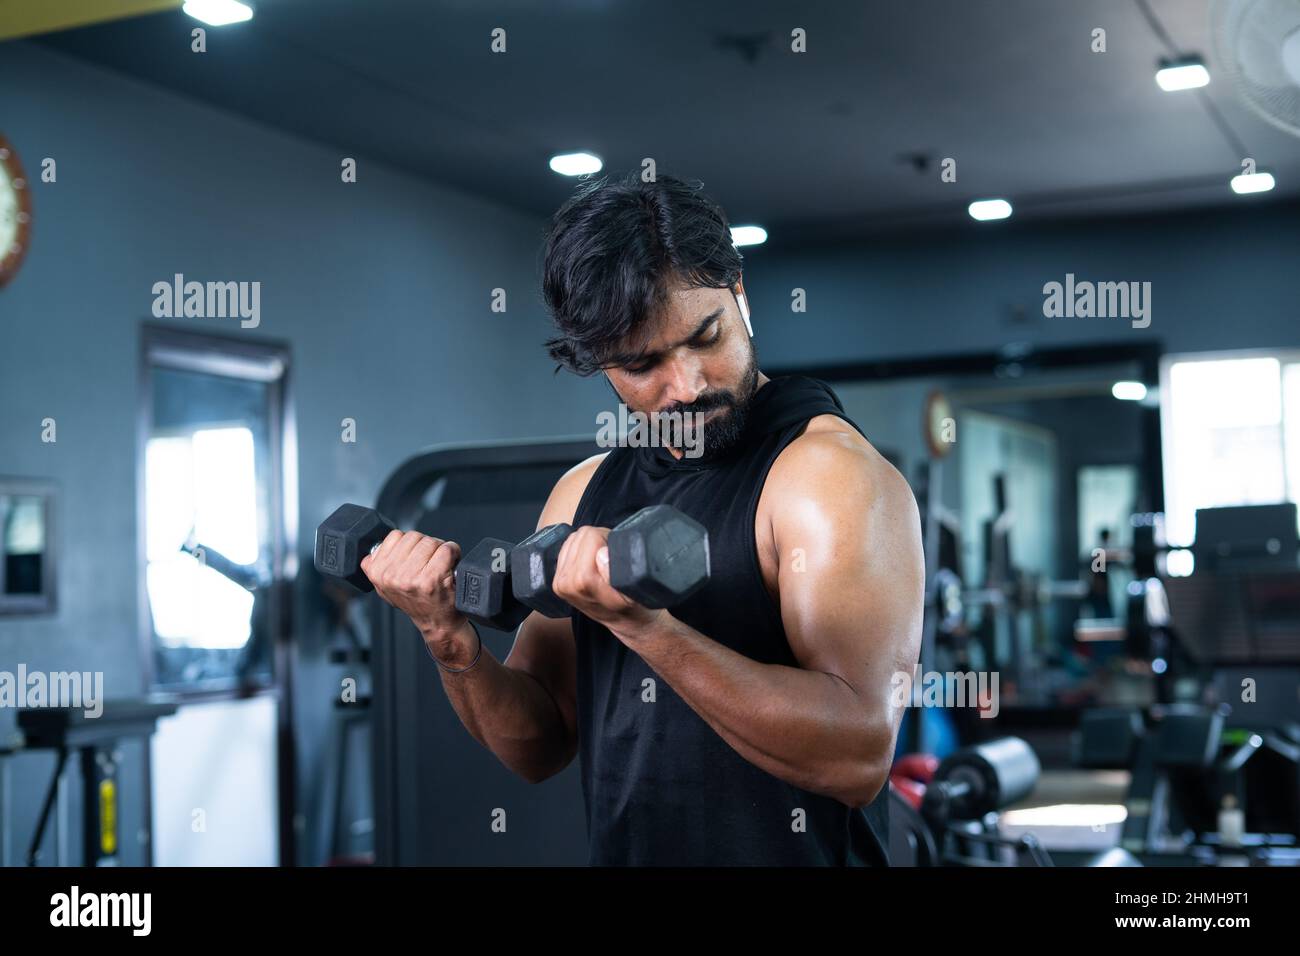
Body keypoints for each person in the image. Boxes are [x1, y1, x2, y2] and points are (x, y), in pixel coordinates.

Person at [360, 173, 924, 865]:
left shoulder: (826, 476)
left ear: (738, 293)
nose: (687, 386)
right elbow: (540, 745)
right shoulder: (582, 494)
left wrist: (643, 627)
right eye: (642, 363)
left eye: (705, 335)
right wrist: (448, 638)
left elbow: (858, 756)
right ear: (599, 362)